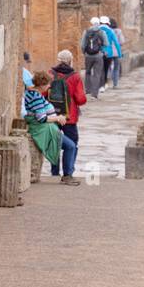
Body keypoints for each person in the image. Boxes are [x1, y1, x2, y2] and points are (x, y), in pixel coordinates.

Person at [23, 72, 80, 185]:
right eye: (48, 84)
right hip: (42, 128)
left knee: (69, 146)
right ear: (42, 85)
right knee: (70, 146)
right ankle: (67, 176)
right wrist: (58, 118)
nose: (49, 86)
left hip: (45, 127)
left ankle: (64, 174)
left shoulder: (32, 93)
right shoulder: (36, 96)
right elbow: (41, 118)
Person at [48, 49, 87, 177]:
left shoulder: (51, 74)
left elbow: (43, 93)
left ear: (58, 60)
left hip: (53, 116)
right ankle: (68, 172)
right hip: (69, 117)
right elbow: (81, 99)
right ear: (70, 61)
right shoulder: (75, 76)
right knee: (72, 144)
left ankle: (54, 172)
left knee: (54, 143)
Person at [81, 17, 105, 99]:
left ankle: (88, 90)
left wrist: (84, 52)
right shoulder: (101, 32)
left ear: (91, 23)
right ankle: (94, 93)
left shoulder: (86, 31)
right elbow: (106, 43)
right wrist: (102, 50)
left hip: (88, 55)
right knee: (97, 74)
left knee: (87, 72)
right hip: (98, 55)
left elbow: (83, 44)